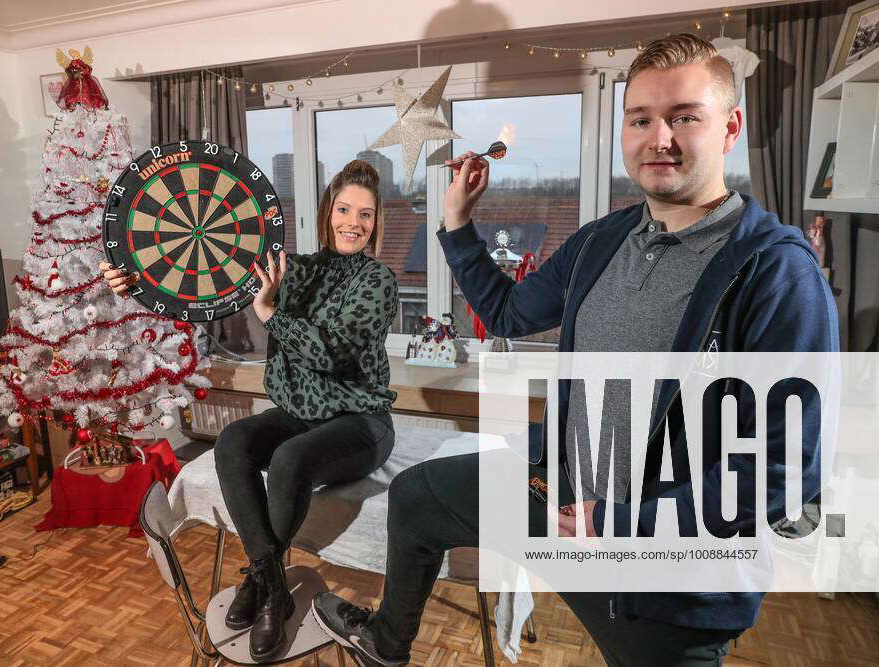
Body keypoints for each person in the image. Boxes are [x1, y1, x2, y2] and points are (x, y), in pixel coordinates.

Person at [312, 34, 839, 666]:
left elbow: (785, 468)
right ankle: (386, 645)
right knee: (417, 498)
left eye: (683, 117)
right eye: (641, 118)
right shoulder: (600, 241)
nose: (659, 137)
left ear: (729, 128)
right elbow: (508, 311)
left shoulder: (777, 271)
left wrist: (624, 526)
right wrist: (457, 222)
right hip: (552, 498)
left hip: (657, 575)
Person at [103, 160, 399, 662]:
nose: (354, 222)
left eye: (365, 215)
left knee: (289, 461)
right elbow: (214, 263)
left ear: (375, 223)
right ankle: (269, 581)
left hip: (360, 421)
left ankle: (261, 582)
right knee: (234, 440)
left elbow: (330, 352)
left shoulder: (379, 282)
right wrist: (138, 278)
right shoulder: (296, 268)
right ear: (329, 213)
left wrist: (269, 313)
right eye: (345, 209)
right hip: (301, 411)